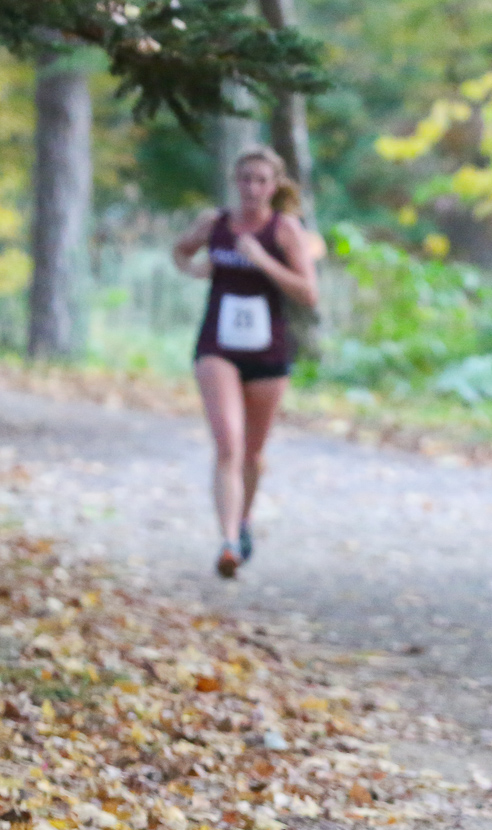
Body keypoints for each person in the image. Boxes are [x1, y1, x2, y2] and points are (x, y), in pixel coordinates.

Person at [172, 146, 319, 579]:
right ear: (235, 182)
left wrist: (263, 261)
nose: (252, 188)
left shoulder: (286, 230)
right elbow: (180, 251)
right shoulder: (215, 224)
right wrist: (195, 268)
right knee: (228, 446)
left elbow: (309, 293)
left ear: (274, 186)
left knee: (252, 454)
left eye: (261, 180)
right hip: (217, 347)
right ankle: (229, 542)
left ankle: (243, 520)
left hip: (269, 352)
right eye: (245, 179)